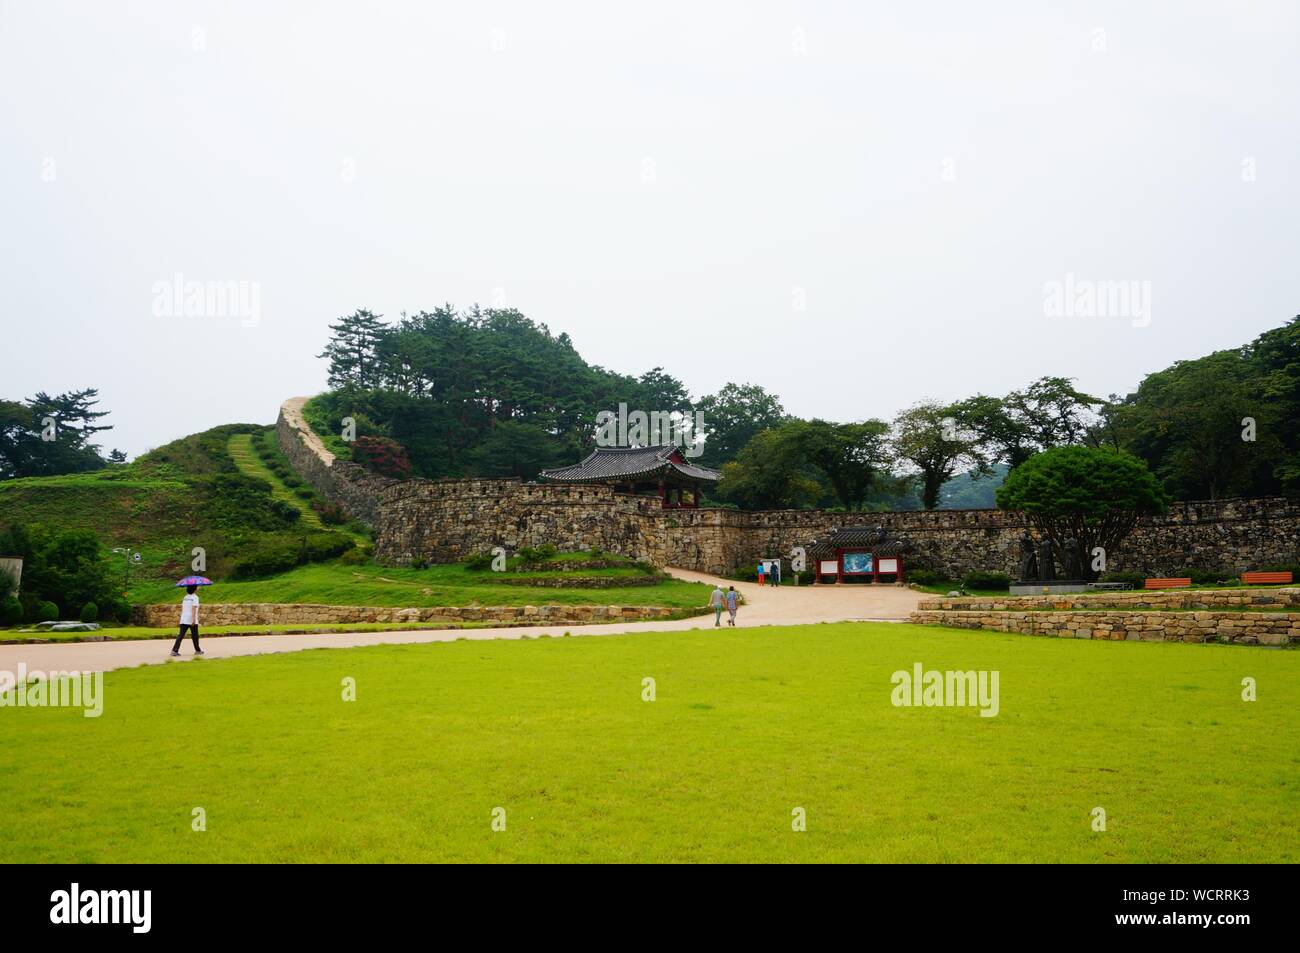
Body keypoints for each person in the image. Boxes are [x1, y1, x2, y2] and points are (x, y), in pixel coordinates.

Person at [172, 584, 204, 657]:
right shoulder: (195, 597)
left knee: (181, 635)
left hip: (184, 618)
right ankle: (198, 651)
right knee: (195, 636)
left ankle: (174, 650)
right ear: (194, 589)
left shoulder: (185, 597)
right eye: (197, 586)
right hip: (191, 619)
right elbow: (193, 609)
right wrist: (193, 620)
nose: (198, 587)